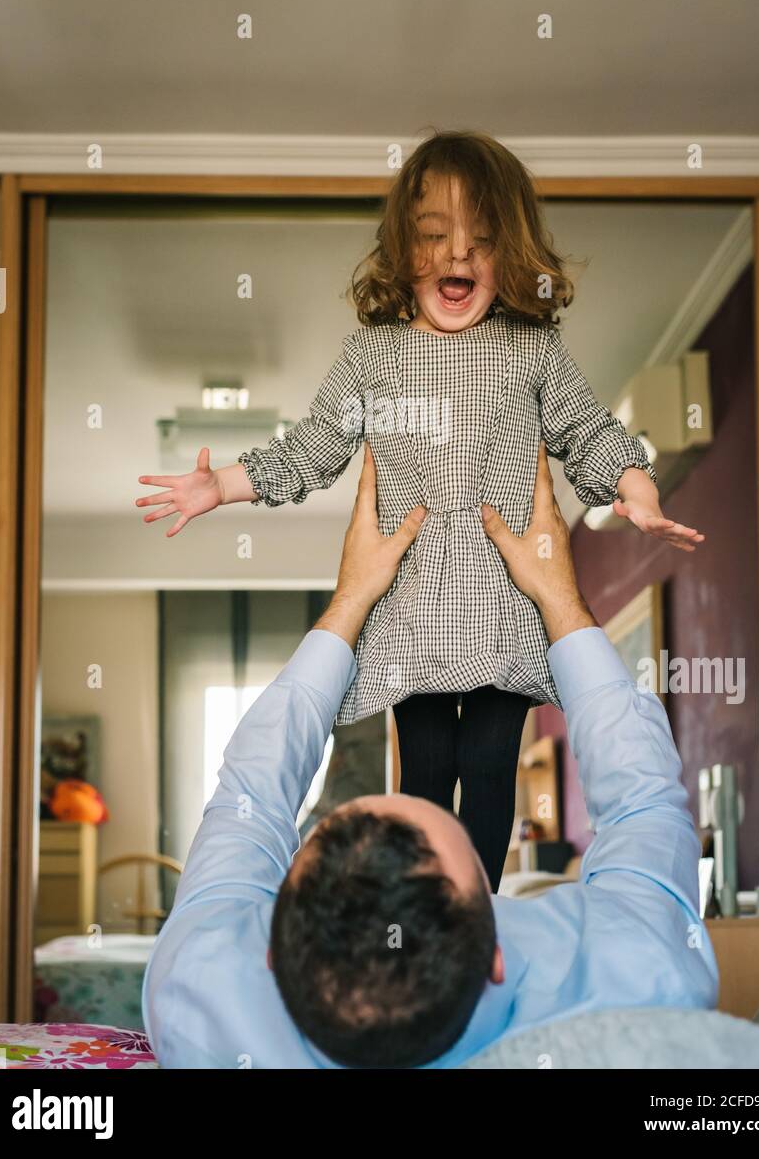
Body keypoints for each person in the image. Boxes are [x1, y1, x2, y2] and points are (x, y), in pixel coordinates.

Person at [136, 131, 703, 890]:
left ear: (513, 253)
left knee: (492, 763)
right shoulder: (371, 358)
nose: (456, 255)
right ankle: (429, 903)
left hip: (504, 595)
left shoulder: (530, 350)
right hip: (411, 604)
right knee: (427, 771)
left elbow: (586, 429)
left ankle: (478, 904)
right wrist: (224, 484)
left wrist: (632, 484)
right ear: (403, 250)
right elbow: (310, 449)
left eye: (481, 239)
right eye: (434, 236)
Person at [142, 445, 717, 1070]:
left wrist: (351, 600)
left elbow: (244, 800)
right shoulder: (646, 979)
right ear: (494, 954)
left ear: (273, 954)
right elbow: (646, 805)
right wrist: (559, 601)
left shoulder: (196, 994)